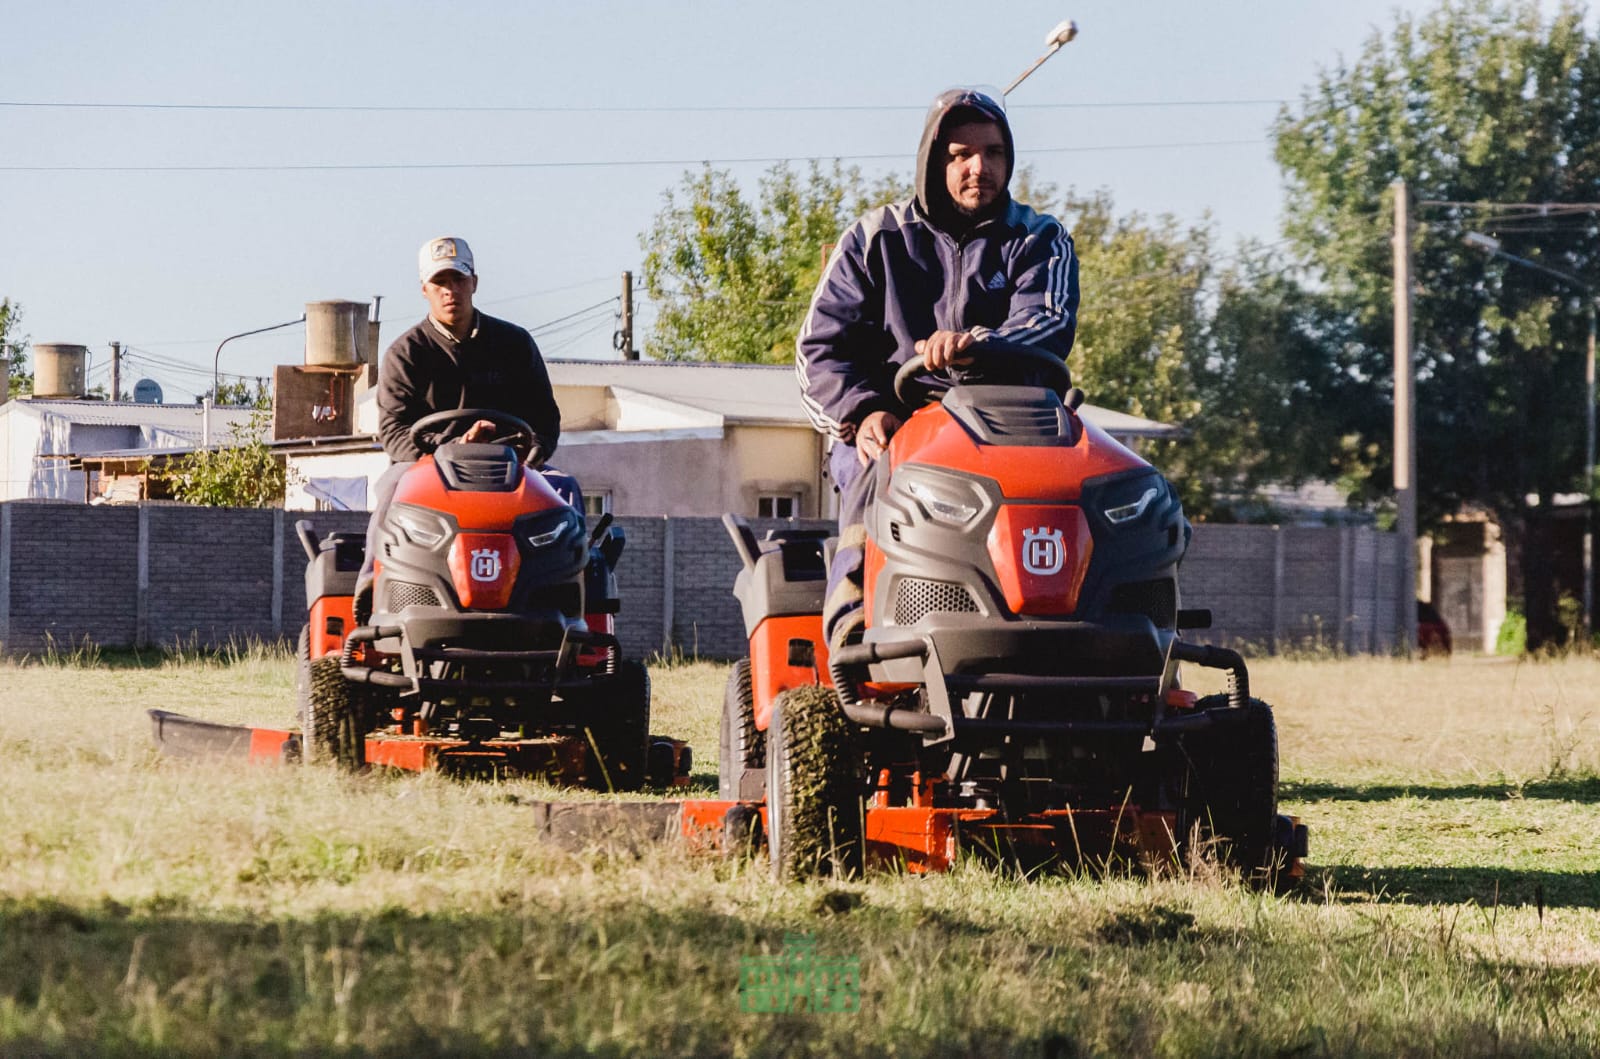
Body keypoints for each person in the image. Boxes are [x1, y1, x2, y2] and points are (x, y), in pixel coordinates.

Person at [795, 88, 1080, 647]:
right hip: (901, 422)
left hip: (1012, 427)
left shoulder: (1040, 239)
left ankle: (1098, 616)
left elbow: (1049, 320)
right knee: (872, 466)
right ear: (933, 160)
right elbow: (819, 350)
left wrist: (979, 343)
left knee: (1107, 479)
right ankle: (855, 609)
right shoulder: (874, 239)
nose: (981, 168)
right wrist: (863, 412)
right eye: (961, 155)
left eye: (994, 153)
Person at [358, 236, 566, 592]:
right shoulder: (406, 353)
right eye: (440, 282)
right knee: (393, 487)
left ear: (475, 283)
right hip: (428, 468)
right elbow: (393, 431)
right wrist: (454, 447)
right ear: (424, 288)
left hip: (507, 465)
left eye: (458, 280)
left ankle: (571, 596)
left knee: (563, 493)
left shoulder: (514, 345)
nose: (450, 291)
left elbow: (545, 418)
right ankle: (372, 586)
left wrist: (532, 453)